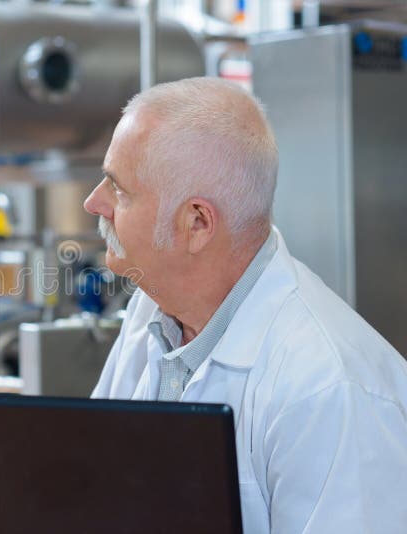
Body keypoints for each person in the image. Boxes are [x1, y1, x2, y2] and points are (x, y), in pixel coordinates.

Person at [81, 77, 407, 533]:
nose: (93, 202)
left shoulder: (330, 389)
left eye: (118, 189)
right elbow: (93, 490)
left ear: (196, 222)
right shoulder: (152, 313)